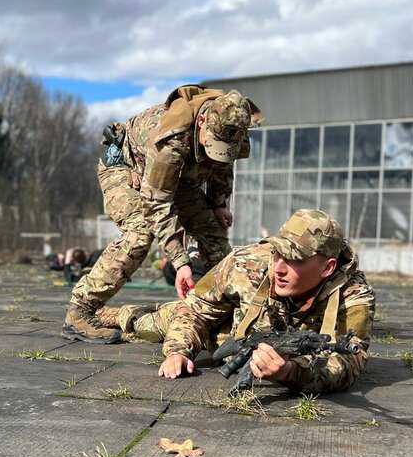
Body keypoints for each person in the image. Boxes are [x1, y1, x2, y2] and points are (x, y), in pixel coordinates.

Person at [62, 84, 263, 343]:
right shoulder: (171, 139)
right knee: (140, 234)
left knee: (212, 230)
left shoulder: (233, 124)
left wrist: (218, 202)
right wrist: (180, 262)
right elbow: (157, 203)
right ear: (202, 121)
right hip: (127, 168)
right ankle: (80, 311)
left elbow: (222, 163)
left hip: (180, 179)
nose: (218, 146)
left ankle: (223, 307)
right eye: (211, 141)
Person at [96, 209, 375, 394]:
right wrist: (178, 353)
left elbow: (349, 362)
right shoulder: (245, 263)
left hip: (239, 332)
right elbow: (195, 312)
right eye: (278, 253)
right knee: (155, 324)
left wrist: (292, 372)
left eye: (295, 260)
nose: (278, 267)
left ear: (327, 268)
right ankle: (122, 315)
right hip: (213, 320)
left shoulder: (353, 296)